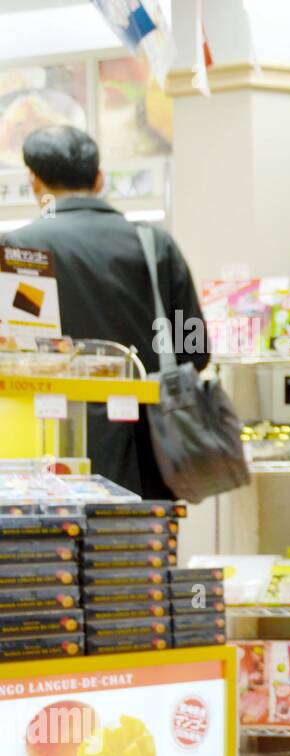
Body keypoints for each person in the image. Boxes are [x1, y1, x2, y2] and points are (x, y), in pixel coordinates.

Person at [2, 125, 207, 499]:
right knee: (142, 553)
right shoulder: (154, 245)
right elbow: (194, 350)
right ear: (99, 179)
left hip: (41, 454)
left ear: (34, 182)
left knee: (44, 553)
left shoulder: (15, 249)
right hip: (149, 454)